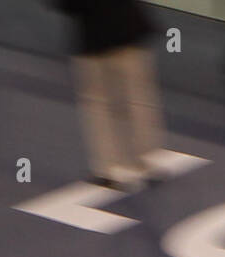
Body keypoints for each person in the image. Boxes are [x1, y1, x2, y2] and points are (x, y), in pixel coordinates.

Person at [52, 0, 165, 189]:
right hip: (127, 30)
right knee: (137, 99)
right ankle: (144, 158)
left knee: (98, 105)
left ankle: (109, 168)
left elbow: (66, 5)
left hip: (93, 38)